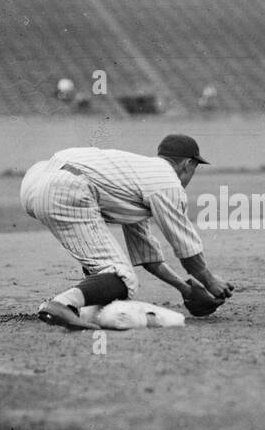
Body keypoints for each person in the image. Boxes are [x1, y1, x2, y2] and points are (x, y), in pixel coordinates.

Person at [20, 133, 234, 328]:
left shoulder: (138, 178)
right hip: (67, 186)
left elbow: (147, 256)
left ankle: (79, 305)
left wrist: (185, 290)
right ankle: (63, 304)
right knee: (123, 278)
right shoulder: (167, 183)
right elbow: (186, 249)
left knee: (106, 267)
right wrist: (210, 281)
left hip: (37, 182)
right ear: (187, 164)